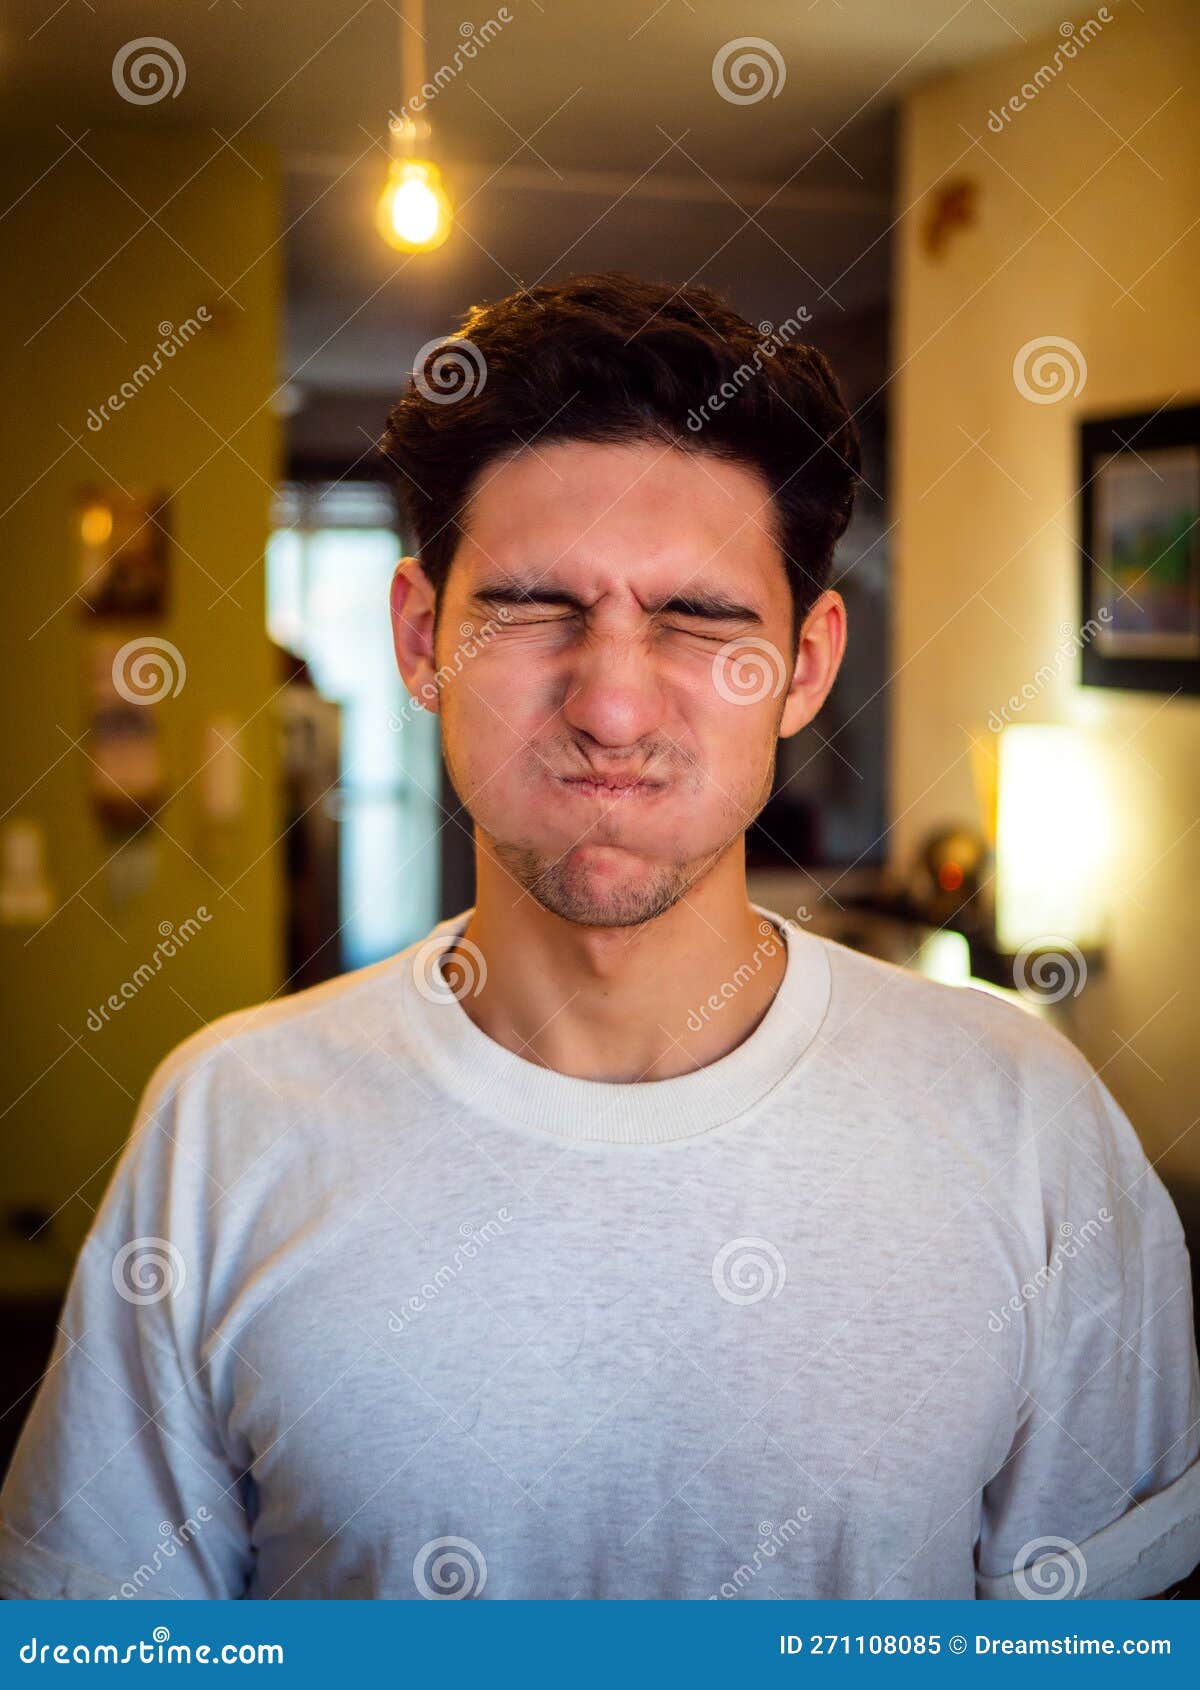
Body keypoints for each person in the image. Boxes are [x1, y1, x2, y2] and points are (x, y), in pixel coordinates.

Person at [1, 273, 1197, 1601]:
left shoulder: (1027, 1123)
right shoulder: (226, 1122)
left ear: (804, 665)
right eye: (529, 609)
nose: (615, 703)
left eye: (698, 618)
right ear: (420, 636)